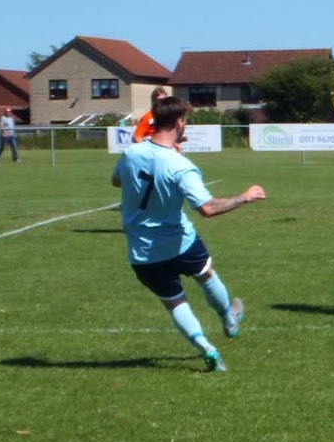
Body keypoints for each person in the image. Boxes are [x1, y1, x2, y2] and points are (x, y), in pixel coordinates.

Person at [112, 96, 265, 372]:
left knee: (174, 303)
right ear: (180, 122)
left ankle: (207, 348)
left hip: (143, 251)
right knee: (206, 275)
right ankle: (228, 319)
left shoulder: (131, 153)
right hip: (180, 242)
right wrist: (244, 197)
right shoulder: (180, 165)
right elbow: (207, 208)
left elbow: (116, 180)